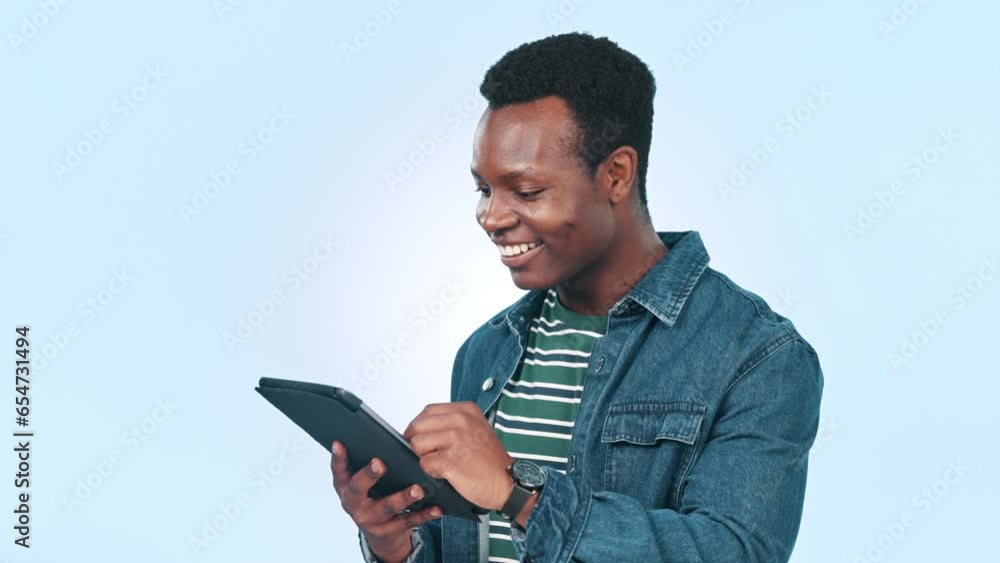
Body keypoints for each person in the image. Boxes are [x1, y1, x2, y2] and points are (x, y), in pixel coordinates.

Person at [331, 32, 824, 563]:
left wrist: (519, 494)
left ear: (615, 175)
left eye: (526, 191)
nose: (492, 217)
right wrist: (394, 543)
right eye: (483, 189)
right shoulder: (486, 351)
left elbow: (735, 552)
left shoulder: (757, 356)